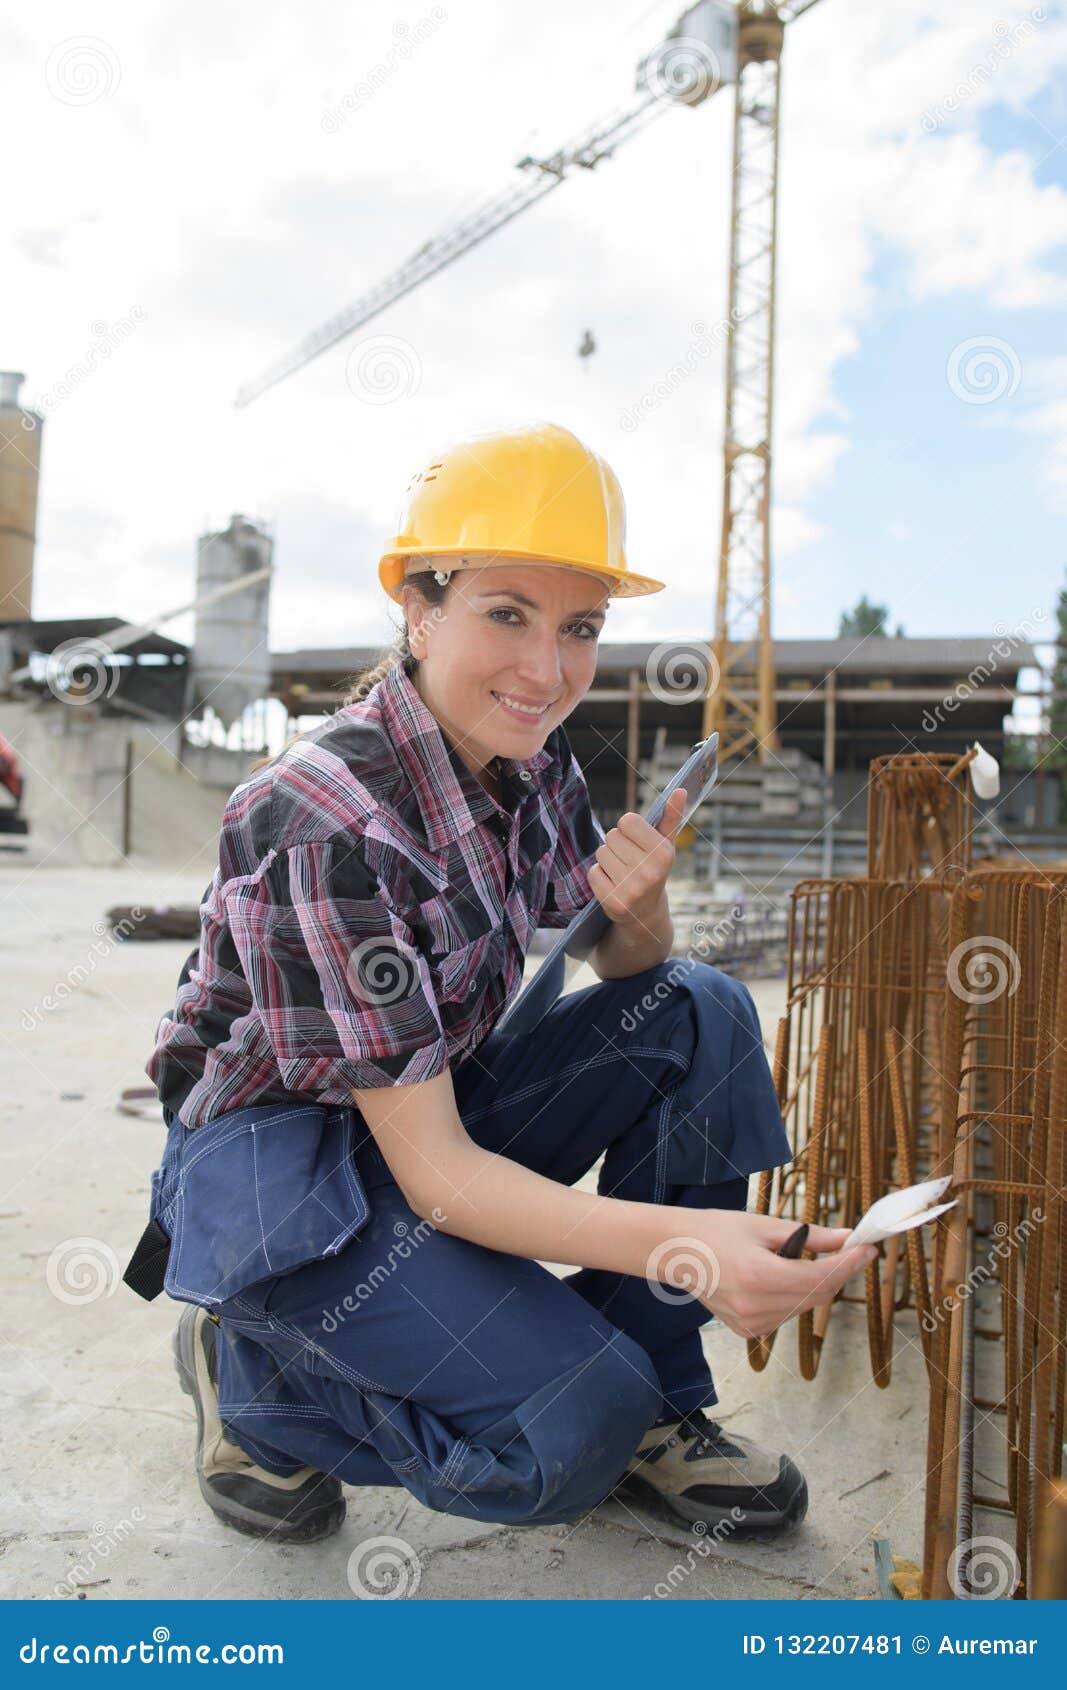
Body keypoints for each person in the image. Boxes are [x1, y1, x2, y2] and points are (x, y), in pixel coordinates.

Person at [122, 419, 874, 1547]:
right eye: (504, 613)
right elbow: (440, 1179)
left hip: (416, 1113)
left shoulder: (528, 761)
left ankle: (657, 1397)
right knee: (567, 1433)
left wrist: (643, 904)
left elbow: (620, 970)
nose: (546, 669)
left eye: (578, 627)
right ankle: (253, 1374)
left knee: (698, 1008)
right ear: (416, 609)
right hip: (284, 1177)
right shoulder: (326, 819)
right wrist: (682, 1248)